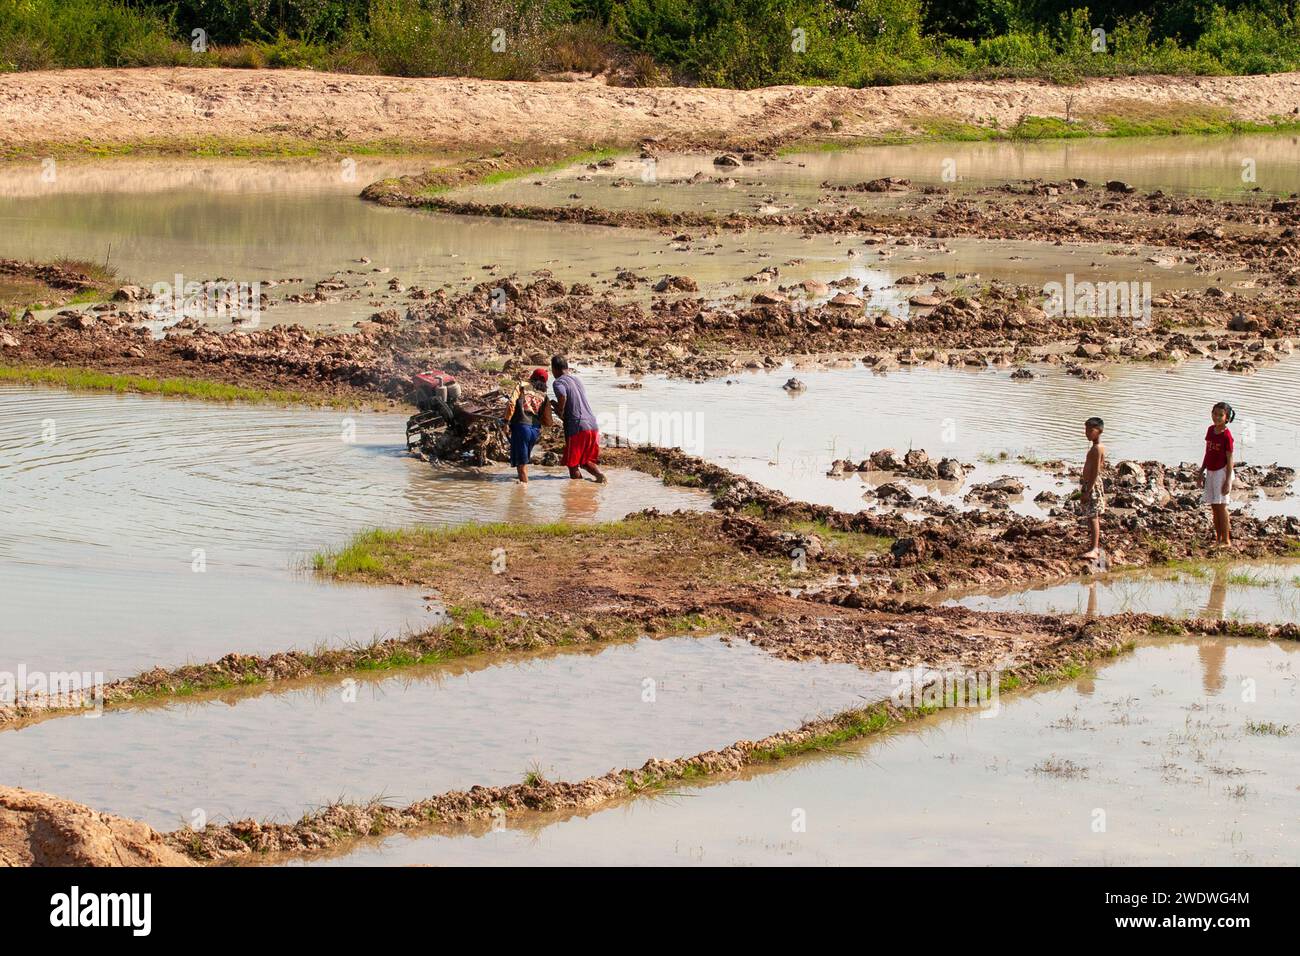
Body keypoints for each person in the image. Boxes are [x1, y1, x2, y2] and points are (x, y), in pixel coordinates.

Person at [550, 354, 606, 483]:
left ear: (554, 369)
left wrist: (559, 409)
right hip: (592, 425)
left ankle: (577, 493)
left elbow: (563, 395)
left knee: (572, 464)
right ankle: (600, 477)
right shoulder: (577, 380)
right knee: (585, 461)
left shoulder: (558, 382)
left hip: (577, 427)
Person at [1197, 401, 1235, 548]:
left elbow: (1230, 458)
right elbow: (1208, 453)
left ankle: (1226, 540)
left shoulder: (1227, 436)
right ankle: (1218, 538)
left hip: (1222, 472)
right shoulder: (1210, 430)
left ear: (1227, 418)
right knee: (1214, 506)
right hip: (1211, 471)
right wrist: (1201, 472)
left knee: (1221, 506)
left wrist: (1228, 481)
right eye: (1215, 414)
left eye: (1221, 415)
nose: (1217, 417)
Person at [503, 368, 552, 483]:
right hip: (534, 430)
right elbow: (548, 420)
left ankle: (523, 493)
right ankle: (522, 484)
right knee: (524, 460)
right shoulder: (544, 395)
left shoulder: (522, 385)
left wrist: (506, 422)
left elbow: (511, 403)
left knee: (522, 465)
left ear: (532, 376)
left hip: (522, 427)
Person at [1079, 416, 1107, 561]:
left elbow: (1096, 471)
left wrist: (1088, 491)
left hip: (1093, 485)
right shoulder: (1095, 447)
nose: (1087, 433)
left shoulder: (1097, 448)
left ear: (1099, 431)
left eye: (1090, 430)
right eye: (1086, 429)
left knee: (1093, 517)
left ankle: (1094, 549)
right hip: (1090, 484)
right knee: (1091, 516)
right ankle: (1093, 547)